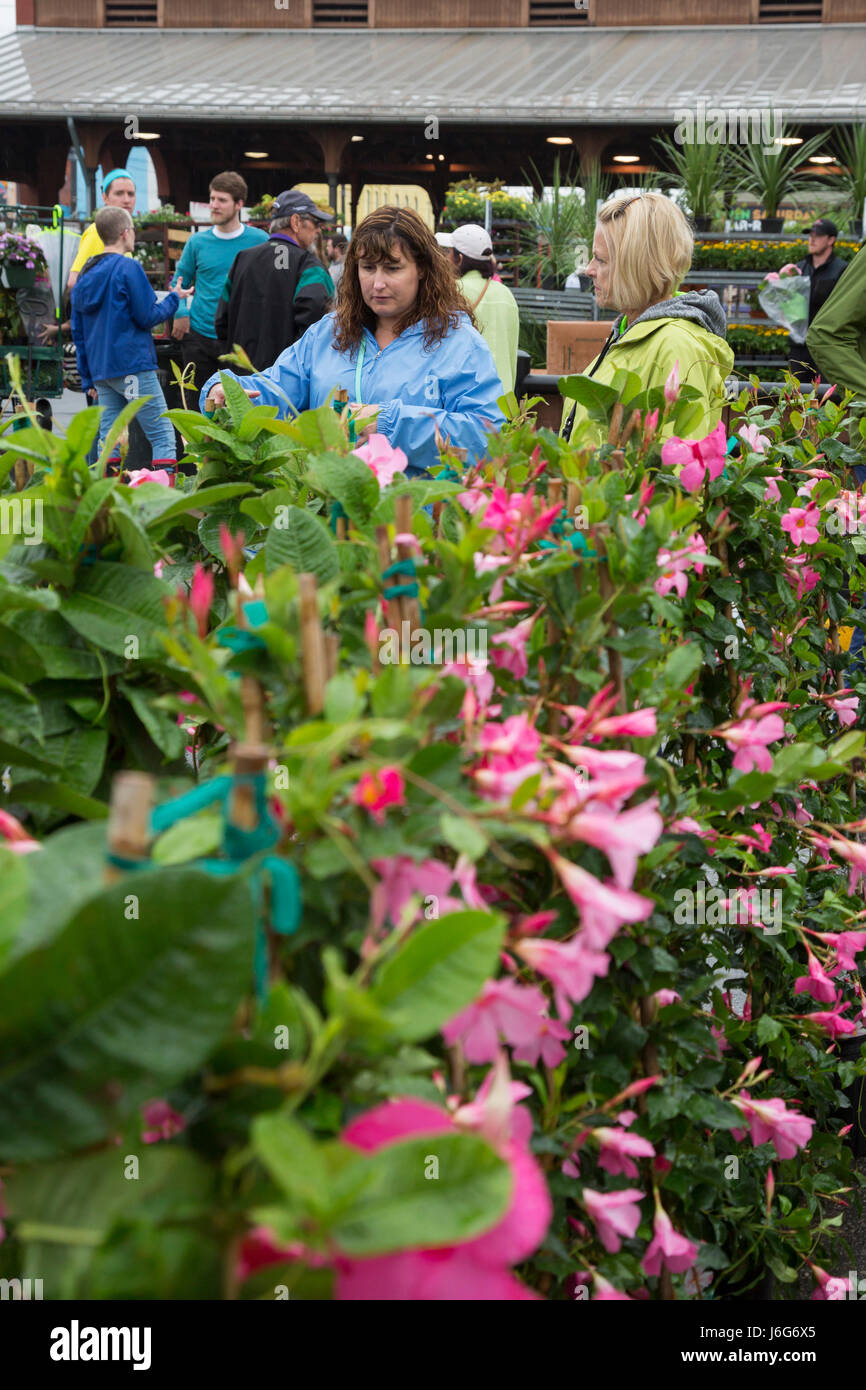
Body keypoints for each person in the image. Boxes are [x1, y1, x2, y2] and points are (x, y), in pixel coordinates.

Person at [201, 205, 504, 477]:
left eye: (393, 268)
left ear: (423, 269)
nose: (378, 283)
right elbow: (277, 391)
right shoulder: (329, 334)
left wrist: (388, 423)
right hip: (331, 520)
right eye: (368, 268)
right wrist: (226, 391)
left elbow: (486, 440)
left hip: (415, 527)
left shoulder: (459, 343)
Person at [561, 191, 734, 445]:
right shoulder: (629, 331)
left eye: (601, 259)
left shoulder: (676, 347)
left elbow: (674, 472)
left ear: (636, 267)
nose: (589, 270)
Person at [70, 207, 193, 472]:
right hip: (133, 367)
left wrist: (87, 377)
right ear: (126, 233)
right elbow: (148, 316)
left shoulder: (84, 276)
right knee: (161, 435)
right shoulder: (128, 268)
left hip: (101, 373)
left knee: (110, 440)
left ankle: (108, 502)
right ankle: (163, 503)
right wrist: (175, 299)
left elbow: (78, 333)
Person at [170, 171, 268, 401]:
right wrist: (181, 311)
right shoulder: (197, 242)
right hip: (200, 338)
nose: (214, 205)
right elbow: (178, 282)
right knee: (197, 409)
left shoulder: (260, 240)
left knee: (240, 408)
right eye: (212, 199)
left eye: (221, 200)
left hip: (241, 341)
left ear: (239, 205)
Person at [214, 189, 334, 371]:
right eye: (315, 222)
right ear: (296, 222)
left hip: (240, 381)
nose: (318, 229)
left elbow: (221, 321)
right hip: (286, 384)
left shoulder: (242, 259)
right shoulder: (308, 264)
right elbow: (317, 324)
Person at [438, 223, 519, 397]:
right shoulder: (506, 294)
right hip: (505, 400)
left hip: (469, 399)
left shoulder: (452, 291)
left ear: (459, 259)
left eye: (448, 253)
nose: (445, 258)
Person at [780, 218, 847, 383]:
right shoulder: (798, 268)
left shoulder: (842, 269)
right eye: (810, 235)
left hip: (826, 346)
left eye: (818, 235)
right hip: (799, 345)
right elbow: (787, 303)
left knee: (825, 396)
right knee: (796, 397)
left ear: (831, 240)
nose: (812, 239)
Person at [67, 169, 137, 290]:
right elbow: (74, 281)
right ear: (105, 198)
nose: (126, 200)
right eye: (119, 193)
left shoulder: (125, 232)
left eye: (130, 194)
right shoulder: (97, 231)